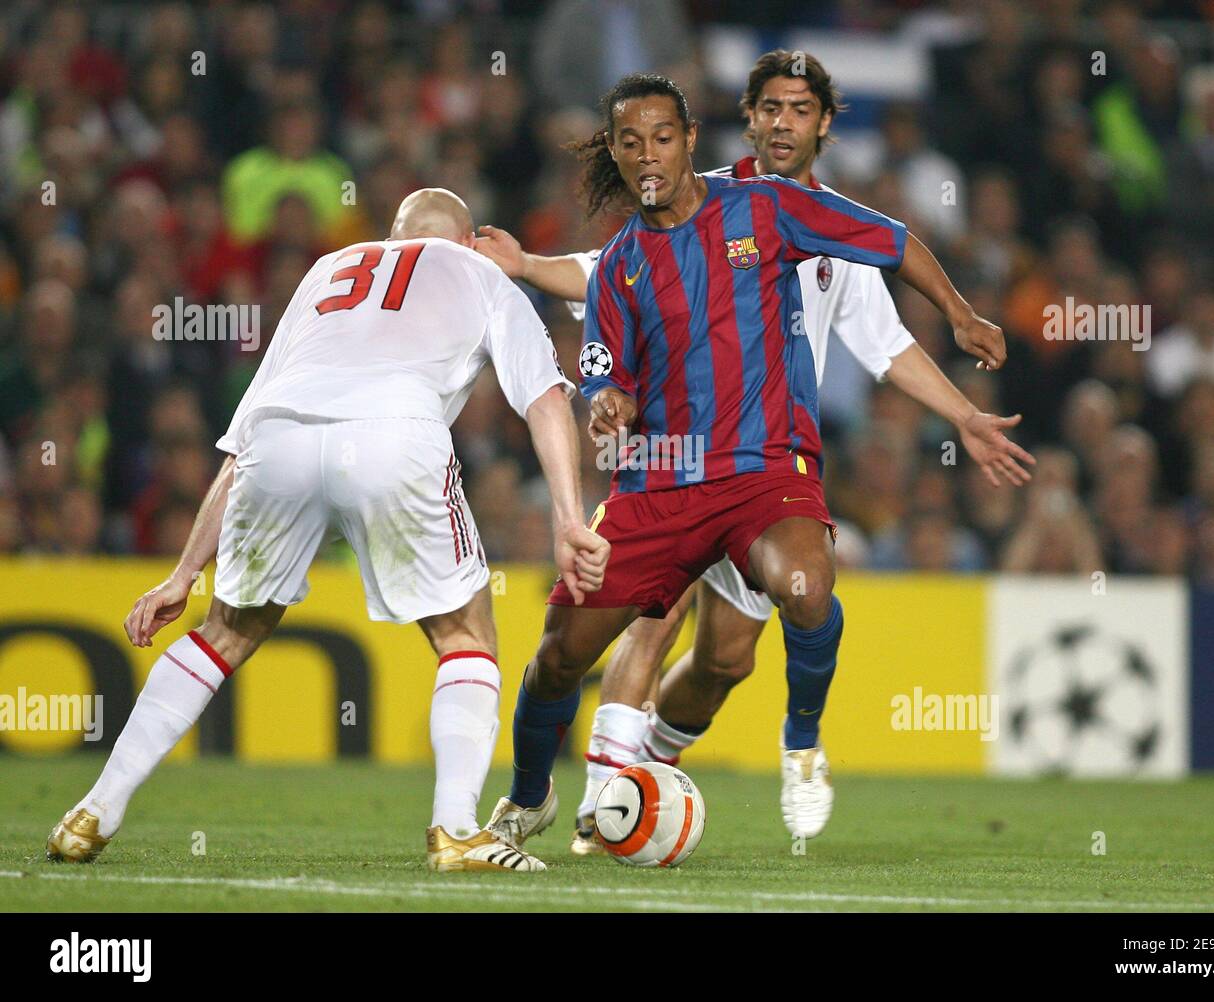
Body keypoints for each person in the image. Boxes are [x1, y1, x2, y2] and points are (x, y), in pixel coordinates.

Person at [474, 51, 1029, 852]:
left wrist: (964, 317)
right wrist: (610, 406)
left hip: (766, 468)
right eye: (629, 143)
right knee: (562, 656)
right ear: (618, 151)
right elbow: (604, 368)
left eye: (661, 138)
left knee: (789, 601)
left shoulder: (769, 209)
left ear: (689, 139)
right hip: (660, 477)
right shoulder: (622, 264)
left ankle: (796, 745)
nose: (646, 155)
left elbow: (893, 245)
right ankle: (536, 801)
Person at [46, 188, 610, 874]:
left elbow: (245, 434)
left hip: (280, 439)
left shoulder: (330, 270)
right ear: (466, 241)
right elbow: (546, 401)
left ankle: (92, 811)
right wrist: (569, 518)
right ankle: (456, 829)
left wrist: (184, 572)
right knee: (465, 633)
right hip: (394, 435)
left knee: (227, 629)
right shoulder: (482, 272)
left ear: (391, 234)